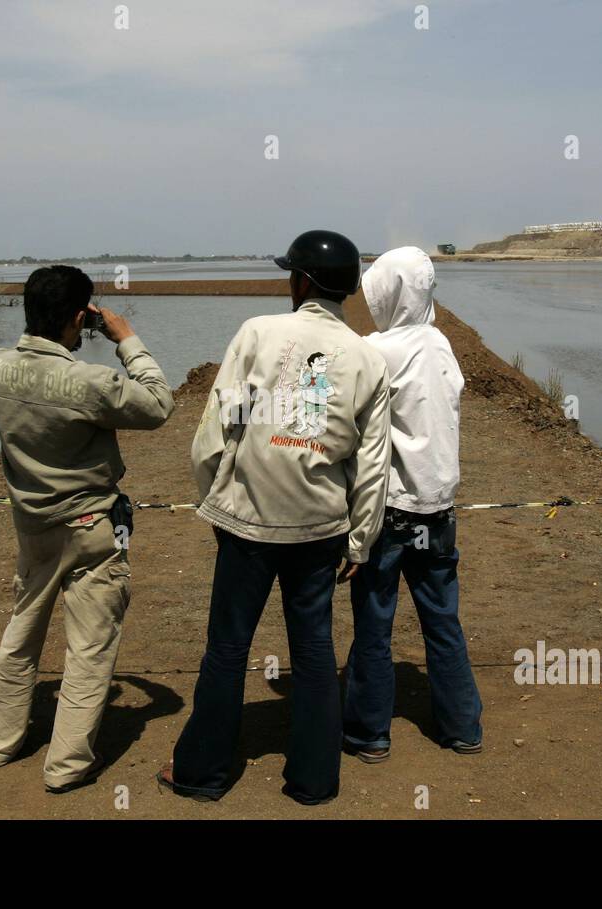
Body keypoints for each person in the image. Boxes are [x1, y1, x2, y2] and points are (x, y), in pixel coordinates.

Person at [158, 229, 391, 805]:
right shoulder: (367, 358)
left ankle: (201, 774)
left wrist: (212, 495)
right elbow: (372, 461)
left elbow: (220, 425)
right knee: (314, 652)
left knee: (228, 648)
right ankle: (314, 782)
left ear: (301, 282)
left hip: (247, 522)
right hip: (320, 527)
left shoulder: (258, 334)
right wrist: (361, 543)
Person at [0, 265, 174, 793]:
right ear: (80, 318)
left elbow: (3, 374)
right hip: (91, 529)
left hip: (32, 526)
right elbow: (158, 405)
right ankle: (65, 767)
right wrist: (127, 340)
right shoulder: (90, 382)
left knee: (22, 629)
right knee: (89, 649)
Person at [343, 246, 482, 762]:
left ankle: (368, 733)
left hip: (388, 512)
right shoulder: (440, 344)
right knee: (442, 620)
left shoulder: (376, 350)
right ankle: (462, 727)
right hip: (438, 511)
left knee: (374, 625)